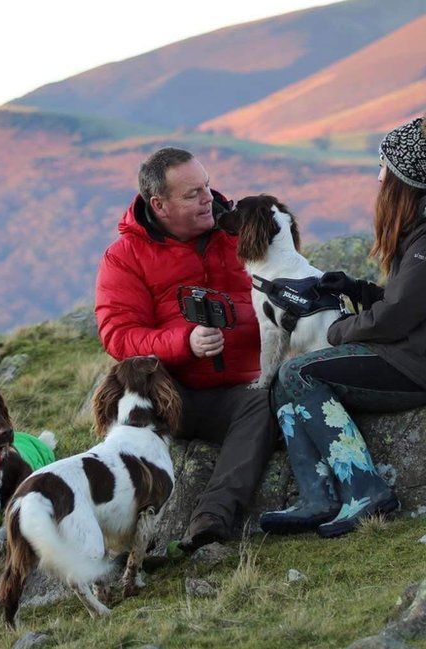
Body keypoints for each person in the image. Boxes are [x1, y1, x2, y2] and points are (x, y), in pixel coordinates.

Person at [259, 107, 426, 538]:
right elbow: (410, 299)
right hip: (421, 351)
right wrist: (355, 289)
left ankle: (365, 489)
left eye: (383, 167)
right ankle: (317, 496)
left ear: (403, 179)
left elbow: (396, 317)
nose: (379, 178)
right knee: (283, 380)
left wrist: (337, 332)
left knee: (299, 371)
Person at [94, 147, 274, 551]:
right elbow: (119, 335)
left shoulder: (241, 230)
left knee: (261, 405)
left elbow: (285, 289)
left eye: (207, 186)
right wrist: (184, 342)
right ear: (159, 205)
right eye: (192, 194)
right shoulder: (125, 257)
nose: (209, 198)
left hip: (244, 387)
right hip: (175, 394)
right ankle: (121, 540)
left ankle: (212, 519)